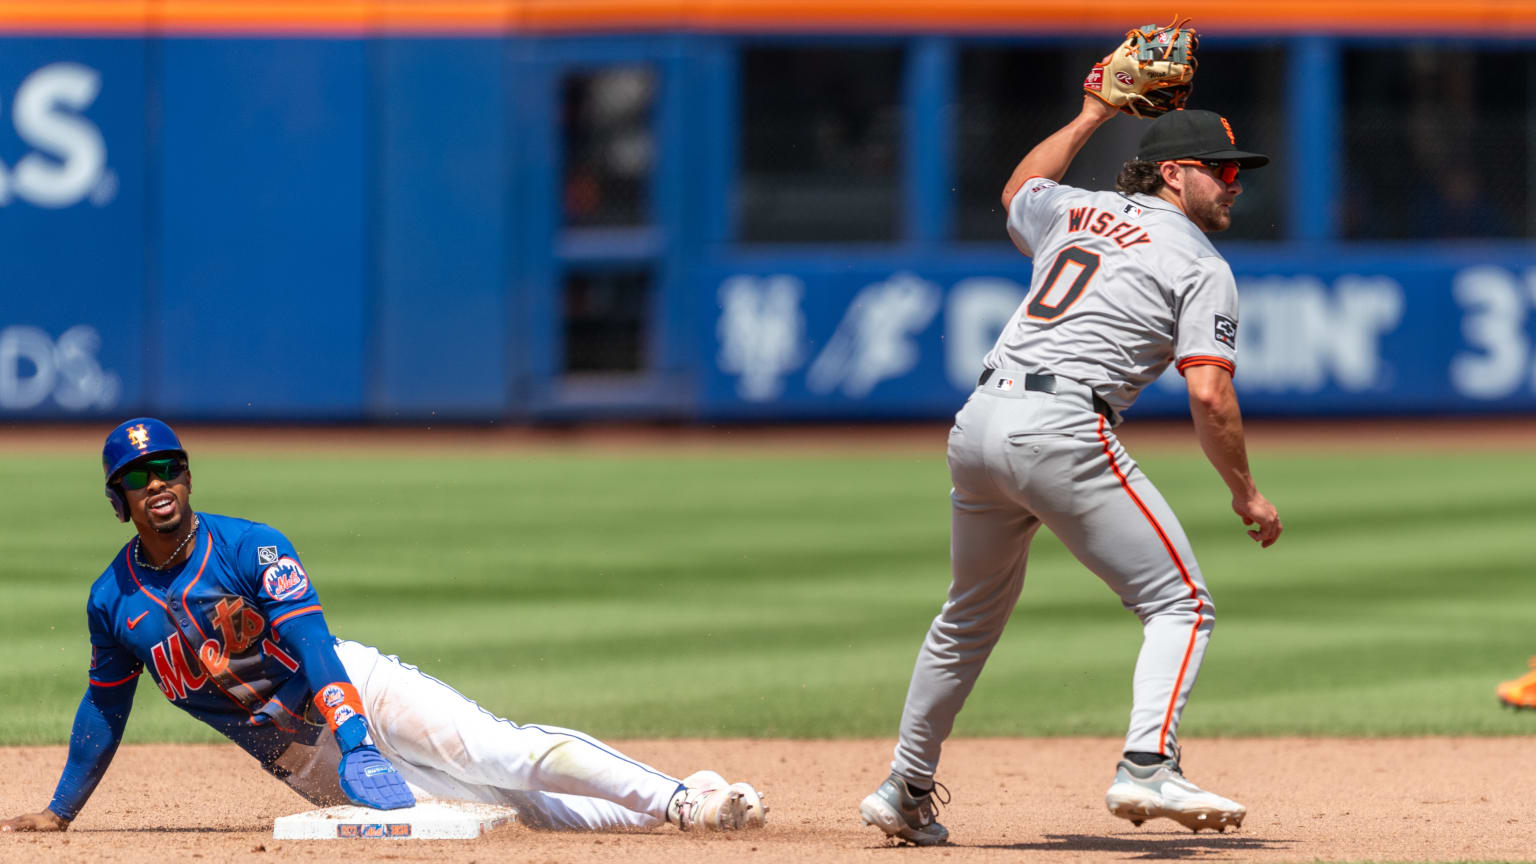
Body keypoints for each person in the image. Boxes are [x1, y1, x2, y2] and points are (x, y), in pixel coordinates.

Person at [857, 96, 1283, 845]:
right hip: (1062, 428)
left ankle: (905, 786)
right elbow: (1211, 394)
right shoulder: (1200, 264)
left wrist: (1091, 112)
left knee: (965, 619)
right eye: (1221, 170)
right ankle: (1150, 764)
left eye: (1237, 171)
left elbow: (1018, 187)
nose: (1234, 183)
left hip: (981, 422)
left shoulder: (1078, 210)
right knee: (1181, 605)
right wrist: (1245, 491)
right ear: (1175, 174)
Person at [1, 418, 766, 835]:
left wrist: (360, 735)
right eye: (136, 478)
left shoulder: (252, 548)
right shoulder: (114, 601)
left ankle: (679, 803)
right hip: (302, 759)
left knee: (502, 751)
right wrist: (61, 810)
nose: (156, 484)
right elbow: (105, 704)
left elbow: (310, 643)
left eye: (167, 467)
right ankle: (691, 799)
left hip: (356, 689)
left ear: (189, 473)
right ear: (118, 499)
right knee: (509, 817)